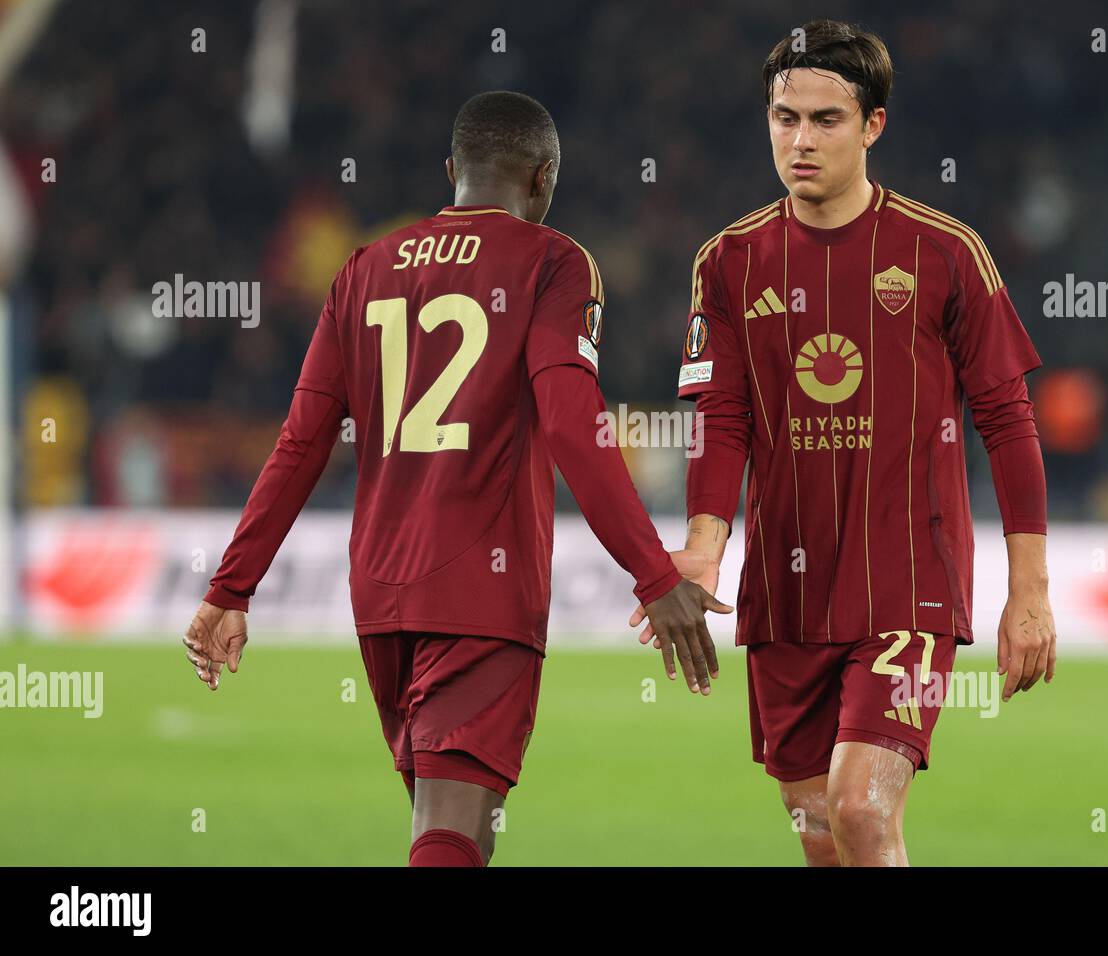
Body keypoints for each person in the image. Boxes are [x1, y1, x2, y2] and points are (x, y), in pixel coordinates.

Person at [183, 91, 730, 867]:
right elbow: (575, 423)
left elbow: (301, 442)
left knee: (453, 833)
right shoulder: (554, 263)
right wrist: (651, 573)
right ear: (543, 179)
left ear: (453, 171)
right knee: (449, 833)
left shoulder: (363, 268)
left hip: (380, 593)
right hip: (481, 586)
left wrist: (229, 588)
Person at [632, 20, 1055, 866]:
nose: (800, 139)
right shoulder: (728, 261)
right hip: (788, 591)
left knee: (860, 807)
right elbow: (723, 420)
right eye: (785, 117)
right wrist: (704, 552)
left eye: (827, 119)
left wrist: (1030, 593)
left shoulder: (946, 253)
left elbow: (1007, 422)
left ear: (874, 126)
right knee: (820, 829)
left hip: (909, 582)